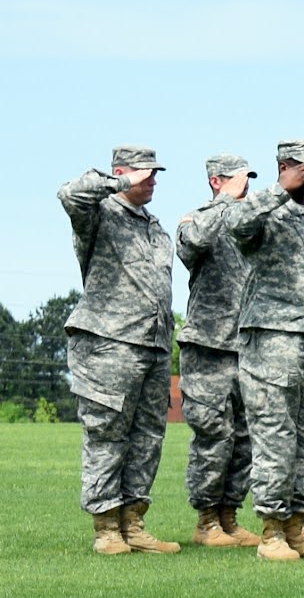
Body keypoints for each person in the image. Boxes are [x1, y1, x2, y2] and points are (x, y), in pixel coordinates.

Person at [223, 140, 304, 559]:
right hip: (275, 339)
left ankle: (297, 524)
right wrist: (279, 188)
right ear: (284, 167)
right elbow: (235, 223)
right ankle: (272, 531)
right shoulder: (265, 210)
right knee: (276, 435)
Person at [62, 145, 180, 555]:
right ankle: (106, 527)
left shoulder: (155, 226)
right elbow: (70, 194)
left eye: (155, 173)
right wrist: (119, 183)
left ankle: (133, 522)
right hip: (109, 344)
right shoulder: (99, 214)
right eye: (144, 172)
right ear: (120, 172)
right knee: (107, 435)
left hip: (152, 345)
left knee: (147, 438)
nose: (152, 180)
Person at [174, 153, 258, 547]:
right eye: (241, 180)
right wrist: (225, 201)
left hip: (247, 346)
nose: (247, 187)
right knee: (213, 434)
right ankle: (206, 519)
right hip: (209, 346)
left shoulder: (247, 224)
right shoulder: (197, 219)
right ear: (217, 181)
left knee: (244, 438)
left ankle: (229, 516)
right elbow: (193, 245)